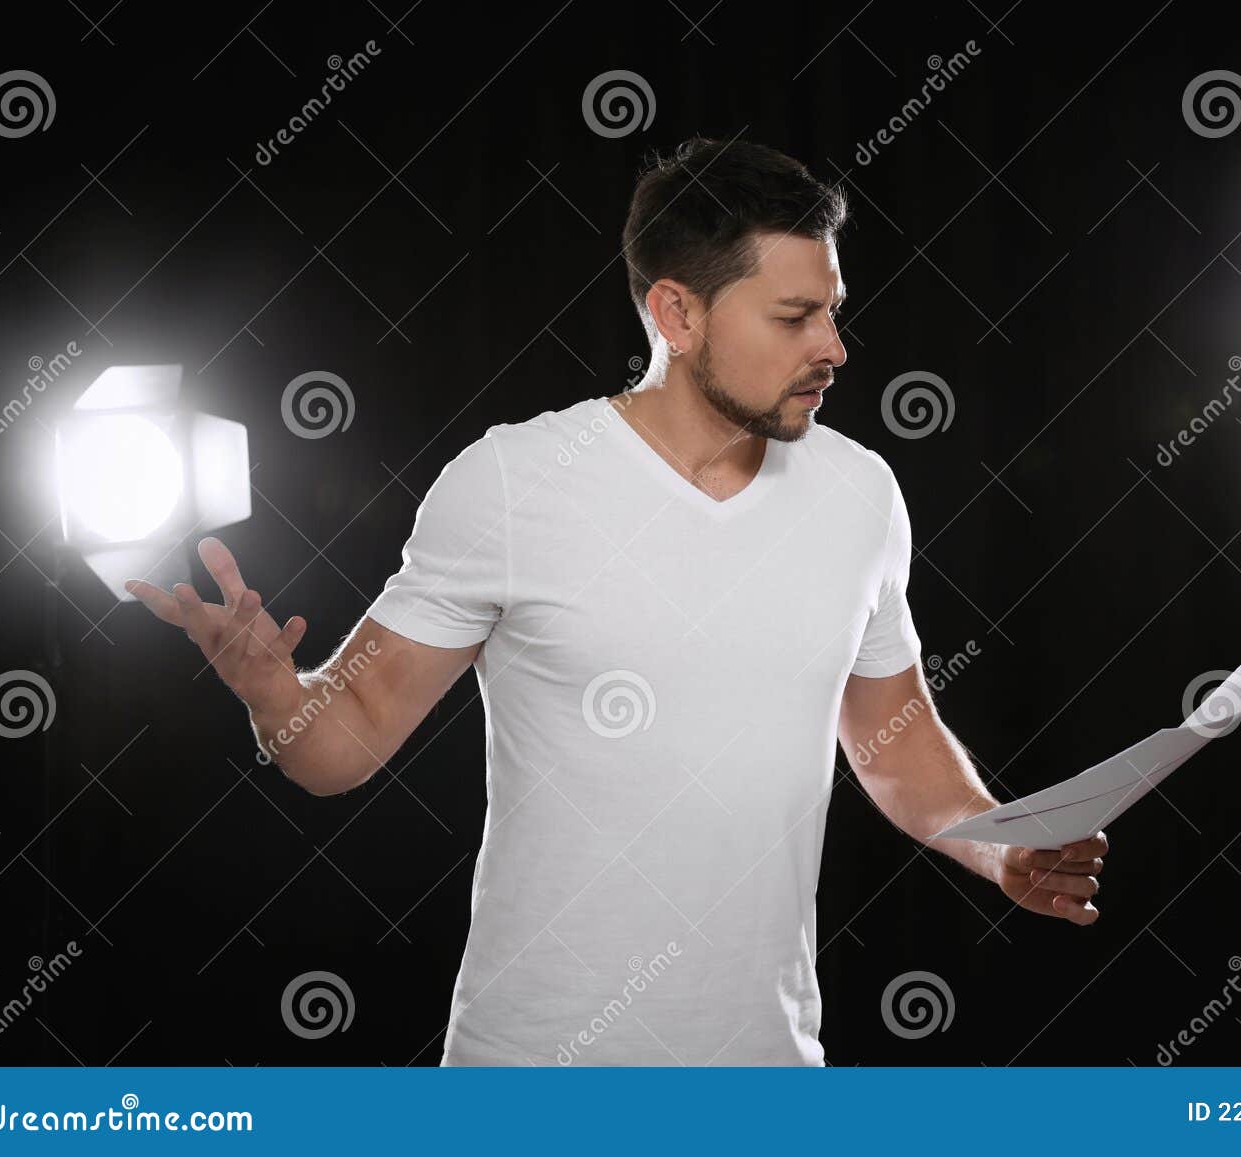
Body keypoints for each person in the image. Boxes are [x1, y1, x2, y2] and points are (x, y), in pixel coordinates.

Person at [126, 136, 1106, 1067]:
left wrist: (1000, 846)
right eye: (793, 317)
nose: (834, 347)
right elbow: (343, 742)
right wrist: (272, 691)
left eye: (832, 310)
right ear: (677, 314)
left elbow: (894, 738)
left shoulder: (861, 493)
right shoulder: (514, 481)